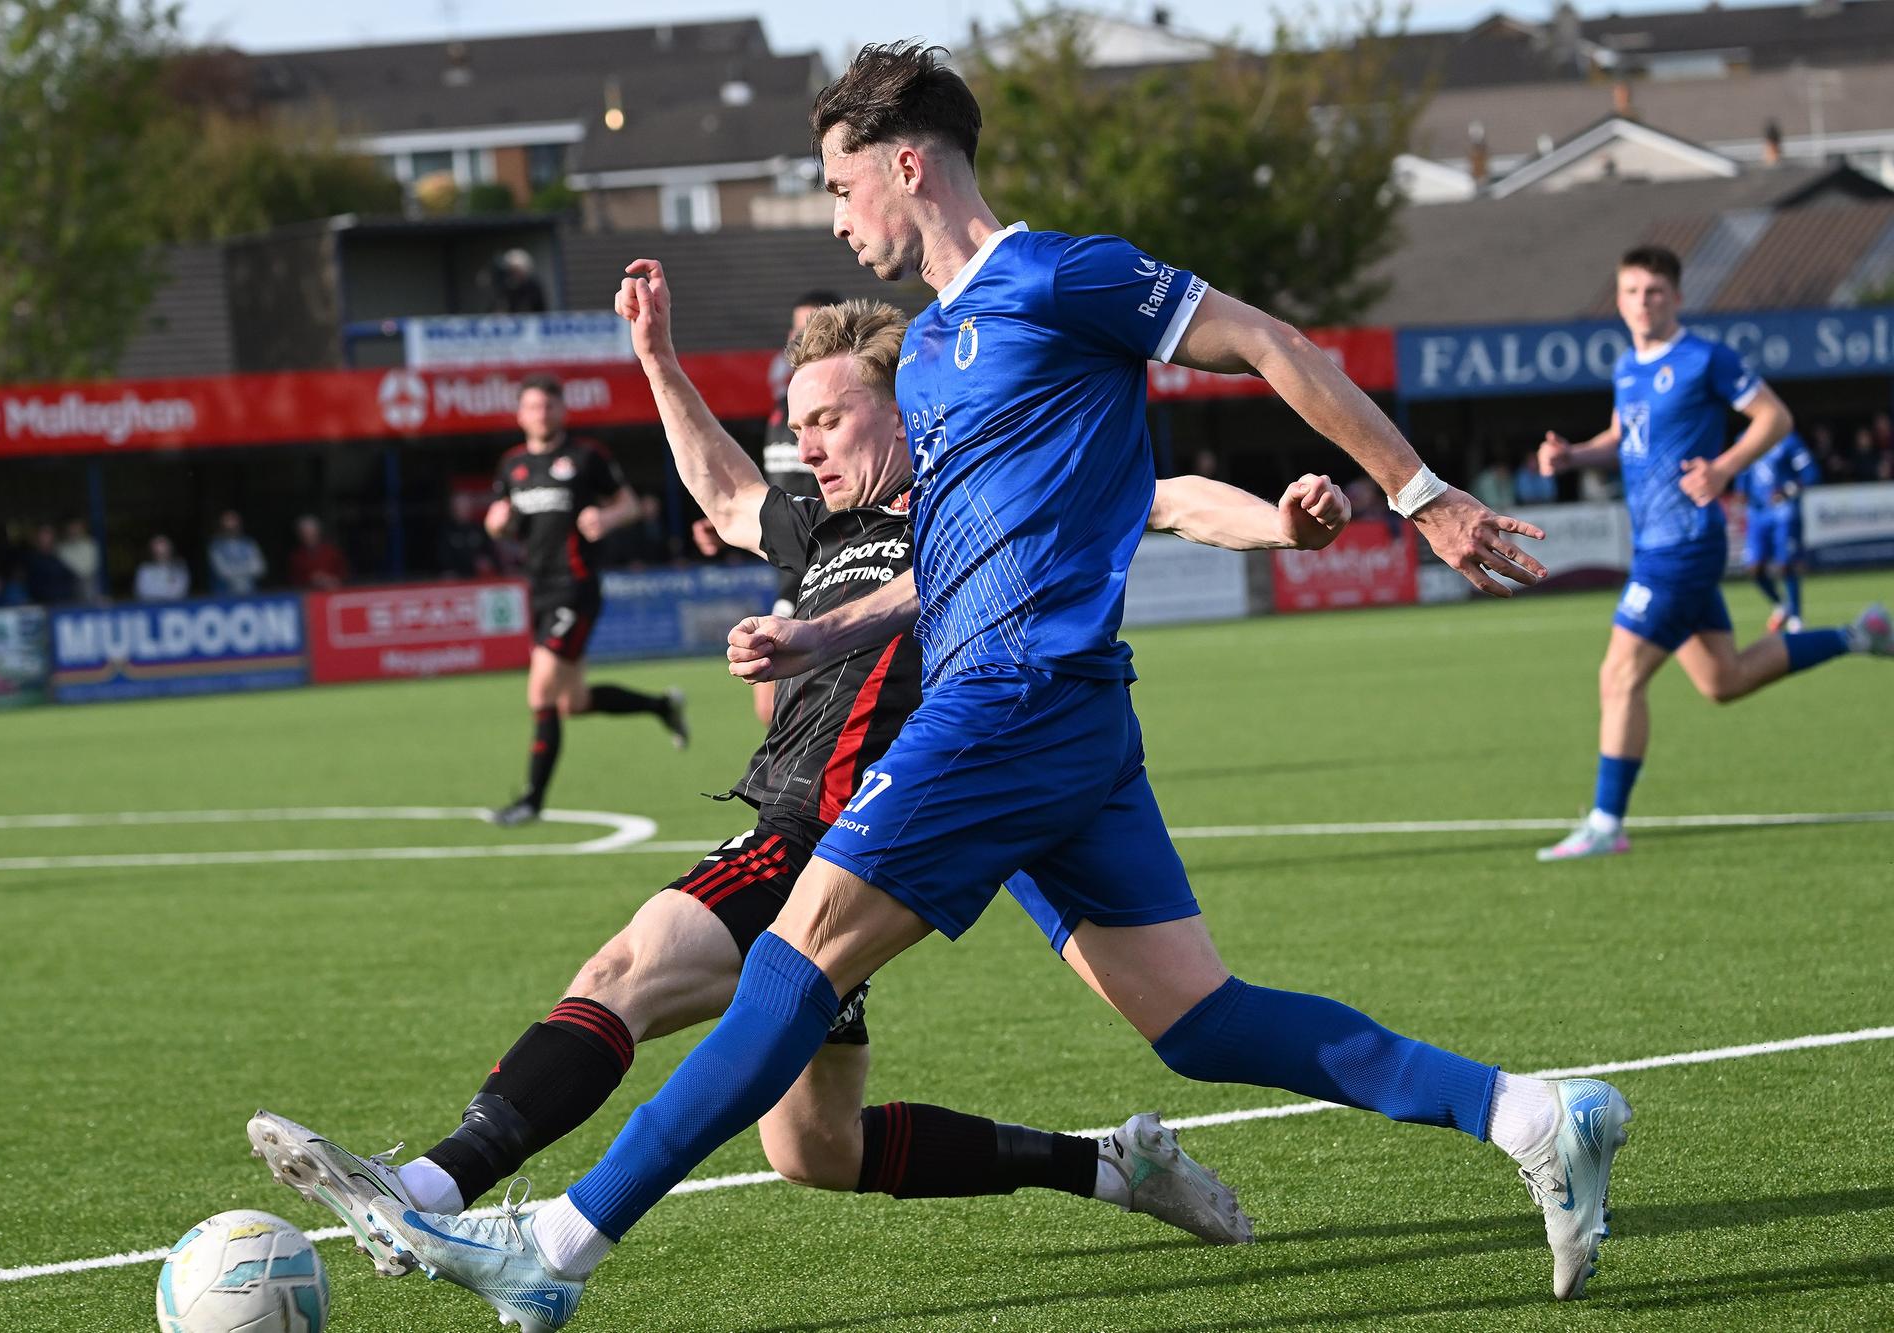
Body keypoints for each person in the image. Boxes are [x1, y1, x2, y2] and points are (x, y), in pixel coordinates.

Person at [361, 44, 1641, 1330]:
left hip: (1018, 698)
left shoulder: (1058, 275)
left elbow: (1265, 344)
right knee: (1195, 1020)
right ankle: (1530, 1112)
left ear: (904, 162)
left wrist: (1418, 496)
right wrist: (828, 634)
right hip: (1059, 715)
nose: (833, 208)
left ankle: (559, 1248)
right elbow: (967, 559)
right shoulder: (921, 358)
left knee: (795, 958)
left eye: (836, 180)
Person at [248, 274, 1366, 1290]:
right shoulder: (817, 530)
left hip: (839, 826)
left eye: (826, 420)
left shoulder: (980, 506)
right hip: (845, 851)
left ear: (901, 405)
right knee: (815, 1150)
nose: (806, 448)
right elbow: (724, 489)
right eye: (795, 429)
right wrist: (657, 360)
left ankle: (433, 1189)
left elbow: (1162, 495)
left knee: (630, 963)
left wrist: (1275, 523)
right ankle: (1113, 1167)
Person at [1535, 247, 1891, 863]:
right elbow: (1624, 440)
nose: (1642, 302)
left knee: (1618, 677)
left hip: (1681, 546)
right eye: (1631, 292)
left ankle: (1605, 823)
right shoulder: (1627, 368)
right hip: (1658, 543)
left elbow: (1774, 418)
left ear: (1675, 296)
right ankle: (1858, 636)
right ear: (1618, 301)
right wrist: (1574, 456)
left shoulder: (1705, 358)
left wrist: (1725, 468)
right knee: (1723, 680)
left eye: (1654, 291)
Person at [482, 373, 688, 828]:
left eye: (549, 406)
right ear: (520, 415)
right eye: (533, 407)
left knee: (541, 691)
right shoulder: (512, 465)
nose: (541, 414)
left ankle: (531, 801)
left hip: (576, 588)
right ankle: (662, 707)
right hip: (538, 590)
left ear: (562, 411)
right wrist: (495, 524)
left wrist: (607, 517)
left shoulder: (585, 456)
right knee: (572, 702)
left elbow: (630, 504)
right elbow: (502, 521)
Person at [750, 288, 846, 728]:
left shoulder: (854, 411)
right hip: (791, 563)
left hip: (836, 560)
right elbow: (776, 491)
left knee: (774, 697)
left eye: (815, 326)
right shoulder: (777, 414)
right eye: (798, 328)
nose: (803, 337)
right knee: (773, 705)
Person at [1735, 430, 1819, 633]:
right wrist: (1741, 492)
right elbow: (1742, 470)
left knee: (1785, 564)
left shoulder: (1789, 441)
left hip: (1784, 512)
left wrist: (1787, 490)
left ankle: (1796, 618)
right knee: (1754, 568)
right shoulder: (1745, 438)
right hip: (1757, 512)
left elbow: (1811, 473)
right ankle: (1782, 605)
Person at [208, 511, 267, 594]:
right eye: (227, 522)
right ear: (221, 525)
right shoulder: (216, 546)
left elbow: (260, 568)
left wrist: (236, 570)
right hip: (224, 595)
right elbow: (222, 572)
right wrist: (247, 569)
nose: (231, 526)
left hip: (251, 592)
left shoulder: (249, 543)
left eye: (234, 522)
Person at [20, 523, 78, 605]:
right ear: (37, 538)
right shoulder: (31, 559)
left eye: (49, 534)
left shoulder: (58, 557)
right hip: (43, 603)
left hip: (64, 601)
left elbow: (70, 577)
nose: (46, 538)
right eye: (43, 535)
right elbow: (34, 585)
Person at [288, 516, 349, 591]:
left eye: (311, 532)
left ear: (318, 532)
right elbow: (294, 580)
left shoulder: (332, 551)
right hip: (308, 594)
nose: (308, 536)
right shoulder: (296, 556)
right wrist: (312, 580)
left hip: (333, 592)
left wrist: (331, 580)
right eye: (304, 533)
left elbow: (344, 573)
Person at [133, 534, 190, 602]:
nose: (161, 552)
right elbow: (143, 591)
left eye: (164, 547)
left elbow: (180, 591)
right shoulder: (144, 569)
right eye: (157, 547)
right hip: (151, 608)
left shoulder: (179, 567)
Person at [56, 517, 100, 600]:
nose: (74, 530)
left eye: (76, 527)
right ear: (66, 529)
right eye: (71, 527)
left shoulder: (91, 545)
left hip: (90, 584)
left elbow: (90, 569)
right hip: (70, 587)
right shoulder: (61, 548)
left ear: (82, 528)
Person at [493, 249, 549, 314]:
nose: (514, 273)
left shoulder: (533, 287)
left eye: (517, 270)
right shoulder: (506, 287)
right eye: (512, 270)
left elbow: (541, 309)